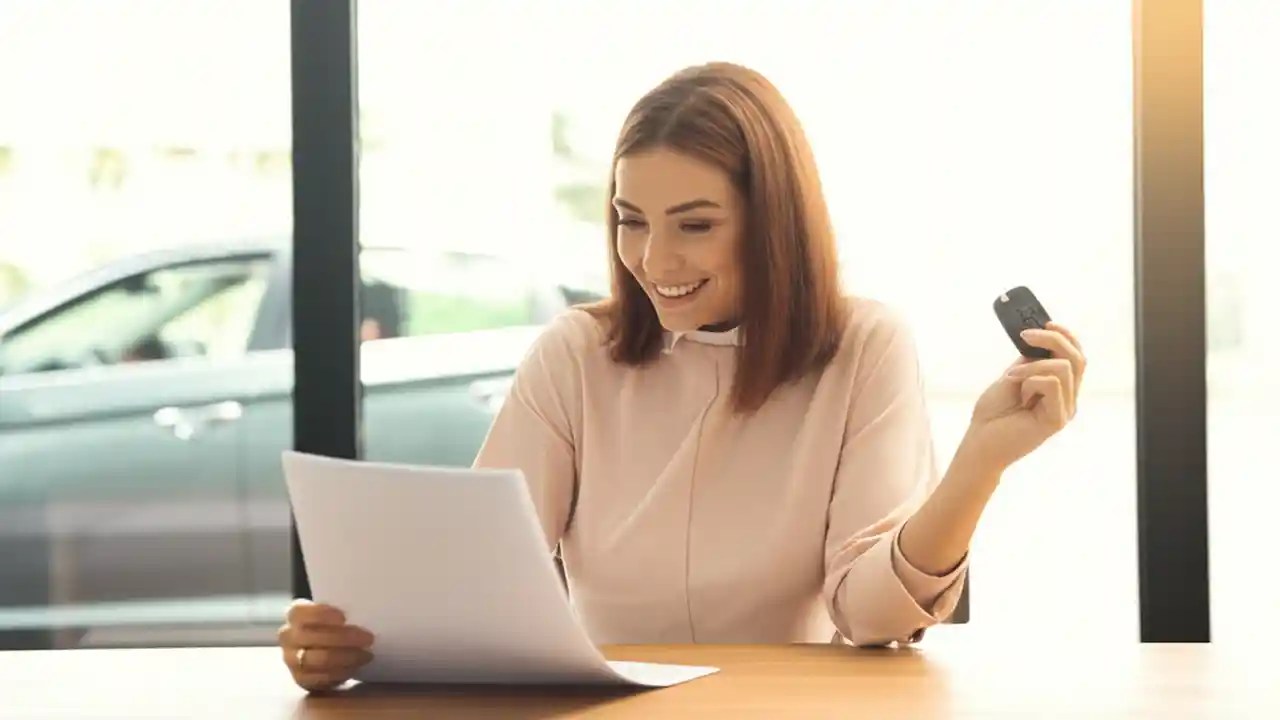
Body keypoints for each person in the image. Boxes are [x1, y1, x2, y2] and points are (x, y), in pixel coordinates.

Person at [278, 61, 1086, 692]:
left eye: (694, 225)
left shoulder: (863, 346)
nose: (654, 263)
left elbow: (870, 616)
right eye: (632, 222)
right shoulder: (576, 354)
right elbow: (470, 584)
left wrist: (981, 460)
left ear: (773, 222)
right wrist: (349, 643)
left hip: (784, 708)